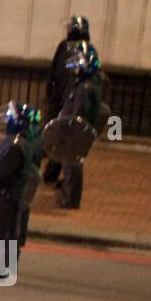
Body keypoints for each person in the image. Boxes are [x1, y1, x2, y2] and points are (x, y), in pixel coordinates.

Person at [0, 102, 43, 279]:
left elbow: (1, 171)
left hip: (9, 193)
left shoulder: (15, 144)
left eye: (10, 118)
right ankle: (9, 267)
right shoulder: (25, 141)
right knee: (12, 231)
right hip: (17, 193)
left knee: (1, 231)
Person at [42, 16, 92, 187]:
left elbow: (56, 74)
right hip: (63, 100)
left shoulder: (78, 49)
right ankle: (52, 173)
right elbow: (54, 72)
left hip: (69, 101)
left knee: (64, 139)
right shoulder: (69, 47)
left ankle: (59, 176)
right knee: (57, 137)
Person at [54, 45, 105, 210]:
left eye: (79, 64)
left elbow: (79, 112)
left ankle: (70, 201)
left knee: (72, 165)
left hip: (75, 132)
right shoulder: (88, 83)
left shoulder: (85, 87)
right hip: (77, 132)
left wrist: (70, 128)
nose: (75, 67)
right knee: (71, 164)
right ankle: (69, 197)